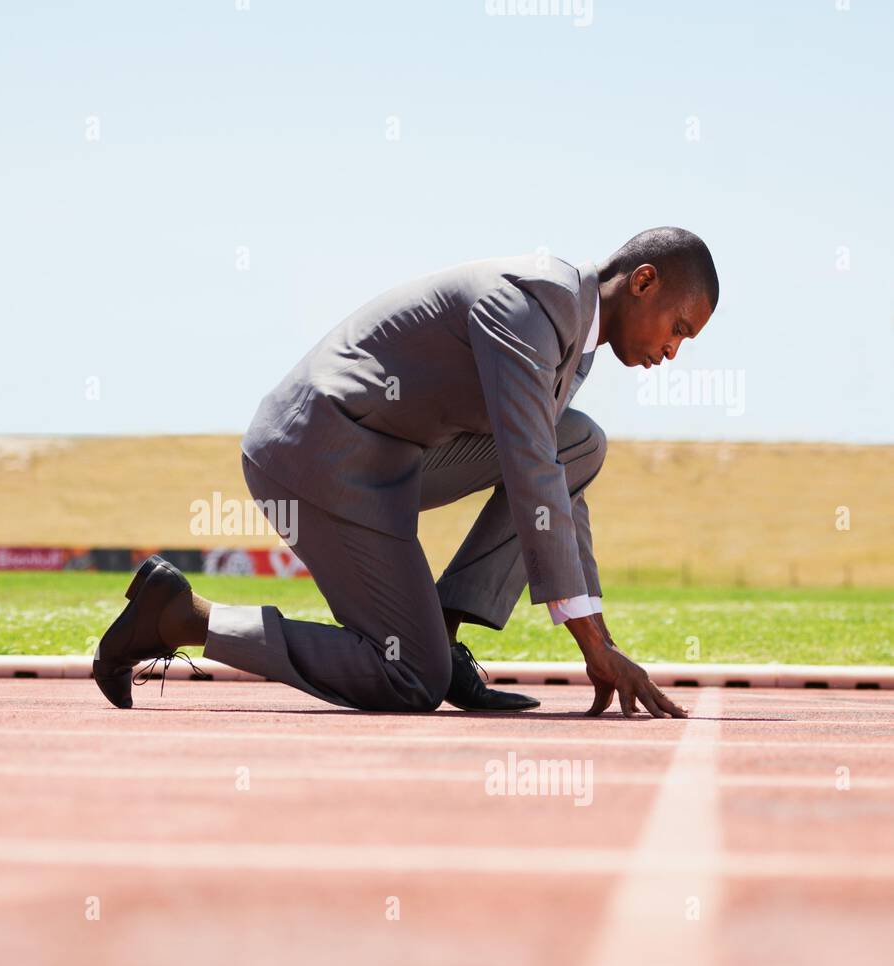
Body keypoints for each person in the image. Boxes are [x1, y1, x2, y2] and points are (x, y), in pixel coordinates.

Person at [94, 228, 718, 718]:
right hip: (319, 453)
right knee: (411, 677)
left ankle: (440, 634)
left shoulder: (573, 338)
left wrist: (599, 635)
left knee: (578, 441)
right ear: (643, 282)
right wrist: (594, 648)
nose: (672, 351)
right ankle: (184, 616)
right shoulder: (534, 308)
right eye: (679, 329)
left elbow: (553, 475)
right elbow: (531, 473)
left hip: (389, 455)